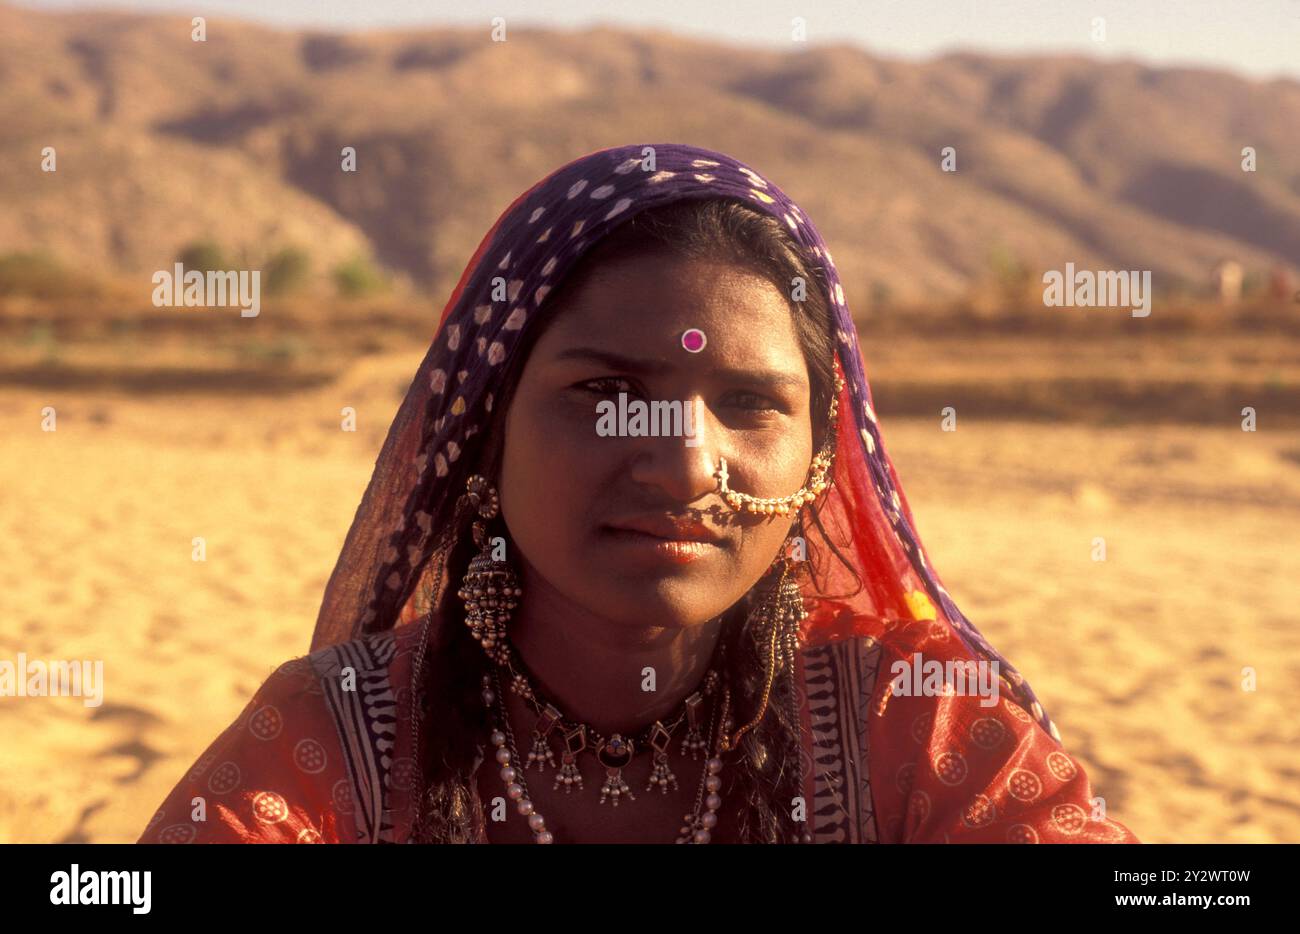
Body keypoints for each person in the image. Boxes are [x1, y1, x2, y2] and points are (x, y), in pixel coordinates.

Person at [138, 143, 1139, 844]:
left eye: (749, 403)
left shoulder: (913, 723)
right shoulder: (334, 740)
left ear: (820, 461)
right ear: (484, 433)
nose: (682, 466)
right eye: (607, 393)